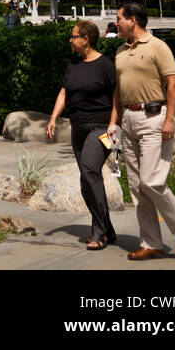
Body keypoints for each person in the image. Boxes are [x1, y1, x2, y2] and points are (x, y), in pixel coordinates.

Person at [107, 2, 175, 260]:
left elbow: (173, 83)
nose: (117, 23)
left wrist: (170, 120)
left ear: (133, 20)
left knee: (152, 180)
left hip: (153, 118)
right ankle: (151, 242)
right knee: (137, 186)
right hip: (128, 119)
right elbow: (118, 91)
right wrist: (114, 122)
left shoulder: (158, 46)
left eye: (119, 18)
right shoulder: (121, 51)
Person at [46, 20, 118, 249]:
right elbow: (64, 93)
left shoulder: (106, 66)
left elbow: (118, 97)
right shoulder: (73, 65)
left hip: (101, 128)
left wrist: (114, 125)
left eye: (74, 36)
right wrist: (53, 118)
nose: (71, 39)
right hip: (78, 127)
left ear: (85, 39)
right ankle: (107, 227)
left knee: (89, 171)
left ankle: (98, 232)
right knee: (86, 180)